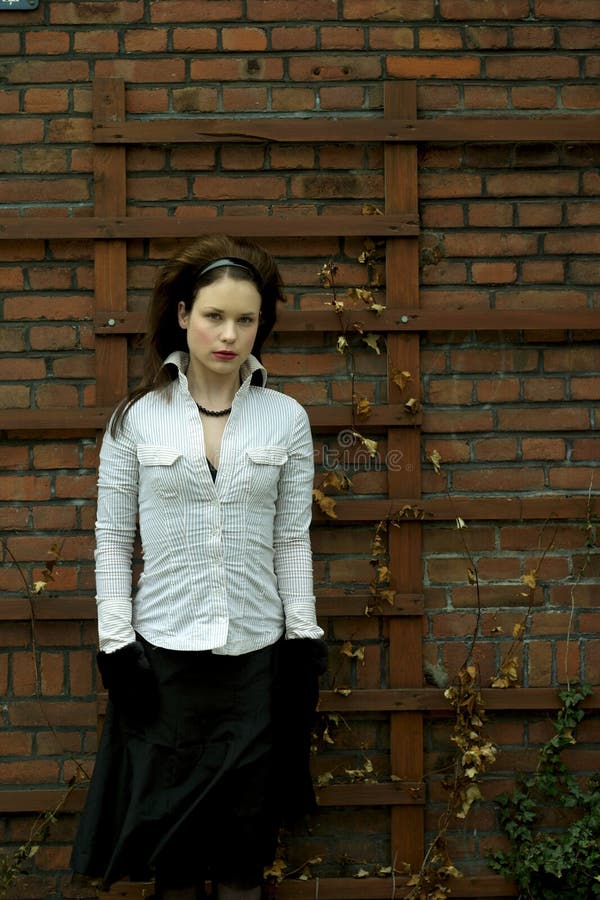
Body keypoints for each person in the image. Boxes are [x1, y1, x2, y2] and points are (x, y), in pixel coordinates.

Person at [71, 235, 327, 900]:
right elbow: (111, 538)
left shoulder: (286, 420)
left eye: (246, 320)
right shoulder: (136, 420)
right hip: (164, 667)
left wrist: (302, 642)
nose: (230, 334)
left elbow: (292, 540)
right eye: (215, 315)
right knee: (175, 866)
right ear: (183, 314)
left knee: (245, 860)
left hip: (255, 662)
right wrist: (116, 648)